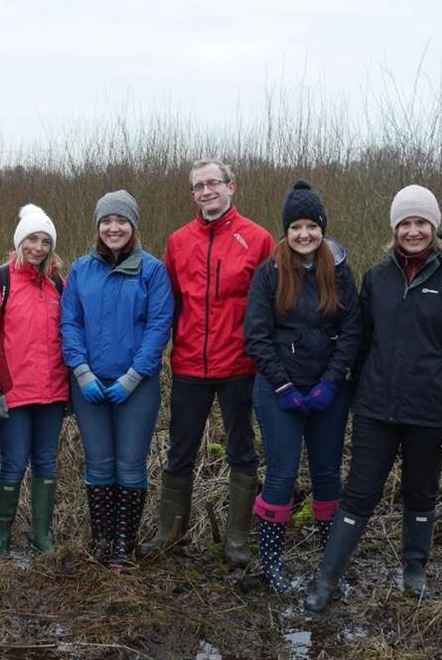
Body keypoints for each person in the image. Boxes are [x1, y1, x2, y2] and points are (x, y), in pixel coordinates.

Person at [304, 184, 442, 612]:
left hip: (429, 412)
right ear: (394, 229)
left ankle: (415, 572)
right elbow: (360, 343)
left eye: (421, 222)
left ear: (434, 227)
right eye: (405, 223)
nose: (413, 231)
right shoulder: (377, 278)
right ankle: (326, 580)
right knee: (359, 493)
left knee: (421, 493)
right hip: (375, 409)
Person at [139, 159, 276, 567]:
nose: (205, 192)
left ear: (231, 186)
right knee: (180, 450)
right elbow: (170, 303)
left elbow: (267, 306)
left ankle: (236, 542)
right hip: (189, 367)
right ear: (192, 194)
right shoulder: (179, 241)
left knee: (242, 450)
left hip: (239, 365)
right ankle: (170, 533)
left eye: (213, 183)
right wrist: (164, 349)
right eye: (198, 186)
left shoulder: (259, 239)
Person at [243, 181, 361, 592]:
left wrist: (330, 383)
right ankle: (272, 564)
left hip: (329, 391)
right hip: (279, 392)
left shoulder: (341, 271)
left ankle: (331, 569)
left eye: (312, 225)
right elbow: (256, 335)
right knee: (281, 473)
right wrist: (283, 386)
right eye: (296, 226)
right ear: (286, 231)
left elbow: (352, 331)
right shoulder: (269, 272)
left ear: (322, 228)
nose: (304, 234)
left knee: (328, 475)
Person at [61, 191, 174, 568]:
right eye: (107, 221)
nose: (114, 227)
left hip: (136, 387)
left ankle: (124, 544)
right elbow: (70, 323)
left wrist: (133, 376)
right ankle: (102, 540)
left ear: (133, 226)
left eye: (121, 221)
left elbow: (159, 327)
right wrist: (81, 371)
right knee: (98, 464)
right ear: (98, 226)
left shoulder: (153, 271)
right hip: (88, 384)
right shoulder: (80, 270)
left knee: (129, 464)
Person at [0, 203, 70, 556]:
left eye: (45, 241)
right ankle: (1, 537)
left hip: (54, 393)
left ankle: (42, 536)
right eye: (32, 239)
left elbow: (70, 333)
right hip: (12, 393)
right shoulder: (1, 282)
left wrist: (71, 384)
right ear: (20, 241)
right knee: (13, 462)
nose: (38, 247)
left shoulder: (59, 282)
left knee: (46, 462)